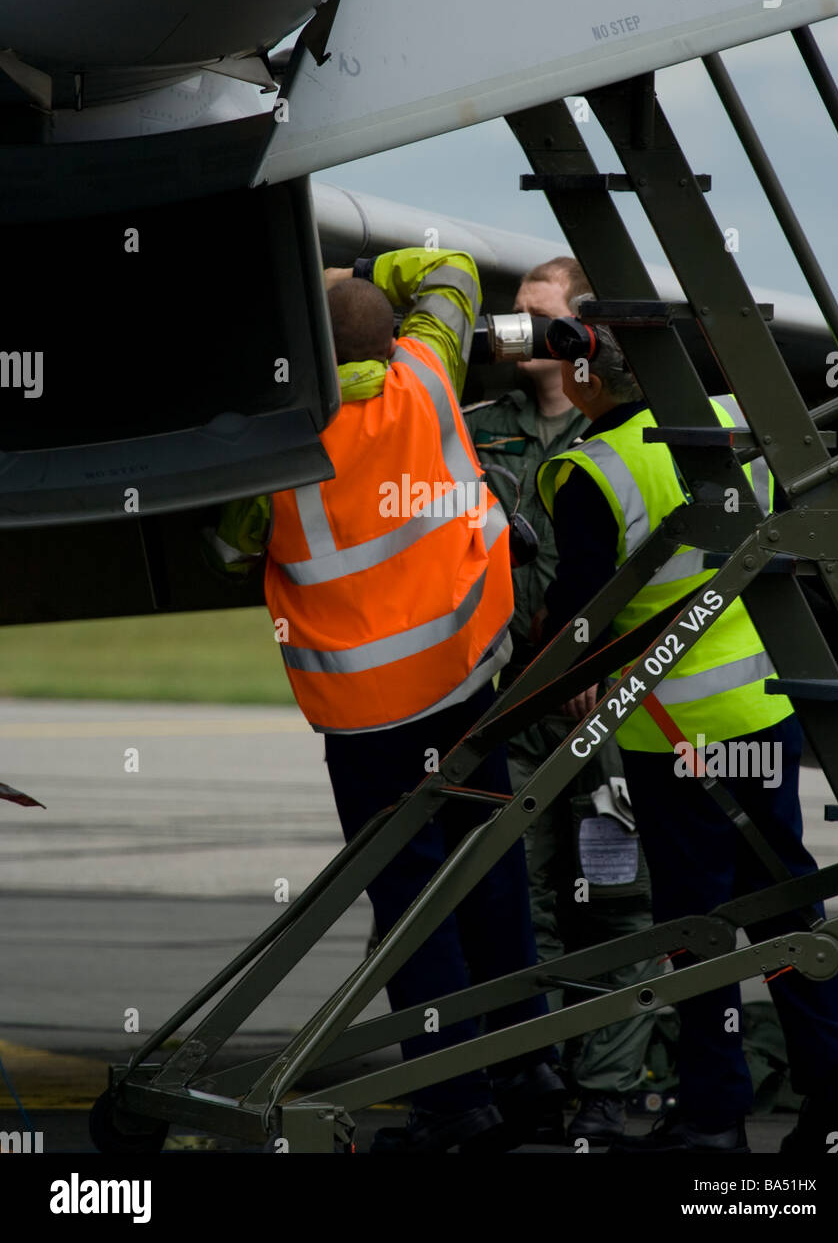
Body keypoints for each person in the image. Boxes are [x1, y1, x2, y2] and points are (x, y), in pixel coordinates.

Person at [208, 247, 562, 1153]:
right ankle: (526, 1075)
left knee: (410, 903)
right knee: (489, 869)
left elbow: (230, 544)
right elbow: (448, 271)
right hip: (465, 679)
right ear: (391, 333)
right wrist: (363, 268)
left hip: (367, 715)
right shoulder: (427, 370)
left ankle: (456, 1102)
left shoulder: (284, 443)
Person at [536, 321, 838, 1153]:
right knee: (790, 904)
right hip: (762, 710)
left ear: (585, 383)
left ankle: (715, 1112)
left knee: (695, 925)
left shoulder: (586, 470)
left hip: (672, 728)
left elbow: (583, 611)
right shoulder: (731, 419)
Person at [462, 257, 655, 1146]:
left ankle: (610, 1091)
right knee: (514, 893)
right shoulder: (472, 434)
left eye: (535, 317)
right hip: (520, 705)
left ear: (581, 332)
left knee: (615, 902)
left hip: (615, 714)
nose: (513, 328)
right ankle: (525, 1075)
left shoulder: (632, 433)